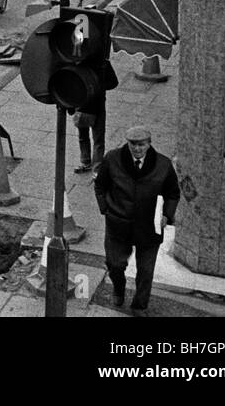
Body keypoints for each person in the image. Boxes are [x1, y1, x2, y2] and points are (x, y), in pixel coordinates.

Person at [93, 125, 180, 314]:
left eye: (141, 144)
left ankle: (140, 305)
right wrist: (106, 209)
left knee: (146, 271)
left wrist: (166, 215)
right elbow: (100, 186)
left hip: (149, 227)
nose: (137, 148)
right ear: (128, 143)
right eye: (133, 144)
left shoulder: (163, 165)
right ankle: (119, 288)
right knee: (114, 264)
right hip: (118, 224)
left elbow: (173, 193)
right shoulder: (112, 159)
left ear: (149, 144)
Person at [73, 90, 107, 174]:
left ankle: (86, 162)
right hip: (97, 105)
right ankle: (96, 169)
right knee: (98, 141)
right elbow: (112, 83)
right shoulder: (100, 76)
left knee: (83, 137)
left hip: (81, 106)